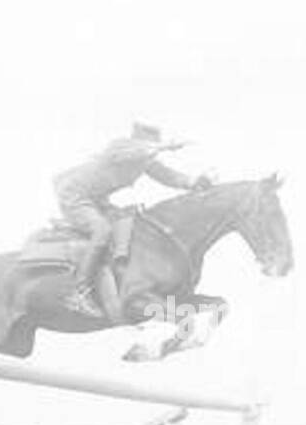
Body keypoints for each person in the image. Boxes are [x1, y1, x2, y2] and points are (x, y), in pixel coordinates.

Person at [52, 122, 212, 317]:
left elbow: (168, 176)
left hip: (97, 199)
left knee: (128, 224)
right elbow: (136, 151)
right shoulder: (120, 147)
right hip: (75, 197)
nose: (153, 151)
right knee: (102, 231)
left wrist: (194, 182)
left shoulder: (145, 159)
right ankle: (79, 293)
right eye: (150, 145)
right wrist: (167, 145)